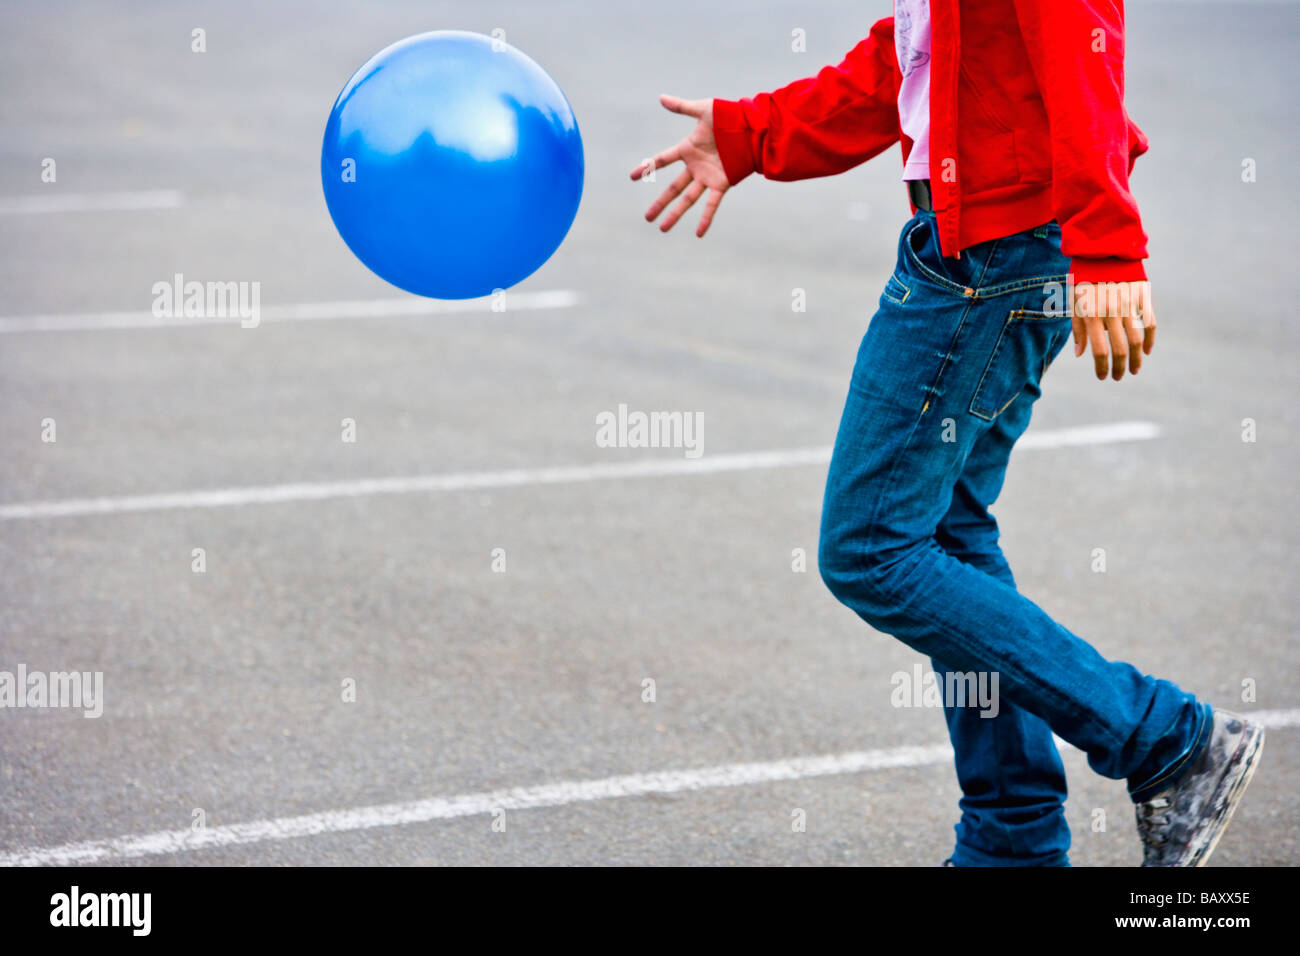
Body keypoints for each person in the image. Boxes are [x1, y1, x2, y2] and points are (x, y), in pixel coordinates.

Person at [630, 0, 1264, 867]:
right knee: (947, 537)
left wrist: (1109, 247)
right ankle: (1014, 837)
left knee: (870, 549)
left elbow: (1081, 43)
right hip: (979, 246)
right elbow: (909, 61)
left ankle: (1166, 739)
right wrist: (753, 134)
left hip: (988, 261)